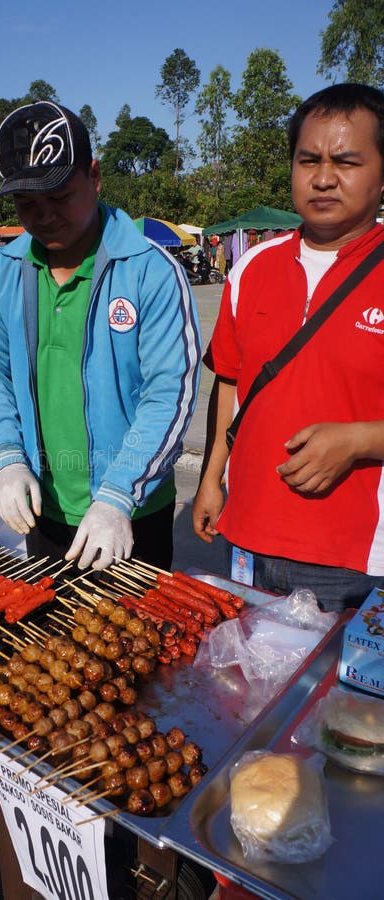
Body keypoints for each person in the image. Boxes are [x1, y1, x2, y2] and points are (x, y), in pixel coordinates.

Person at [0, 101, 201, 571]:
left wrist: (119, 495)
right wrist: (9, 458)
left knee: (134, 640)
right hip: (43, 506)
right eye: (27, 205)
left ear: (94, 177)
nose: (45, 217)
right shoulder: (5, 272)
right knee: (54, 636)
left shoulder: (150, 271)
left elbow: (169, 395)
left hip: (131, 510)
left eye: (60, 198)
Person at [192, 82, 384, 614]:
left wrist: (360, 440)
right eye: (308, 160)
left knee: (330, 700)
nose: (323, 178)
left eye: (346, 161)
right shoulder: (253, 265)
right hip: (248, 538)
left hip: (351, 561)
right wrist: (211, 481)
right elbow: (229, 381)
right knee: (245, 690)